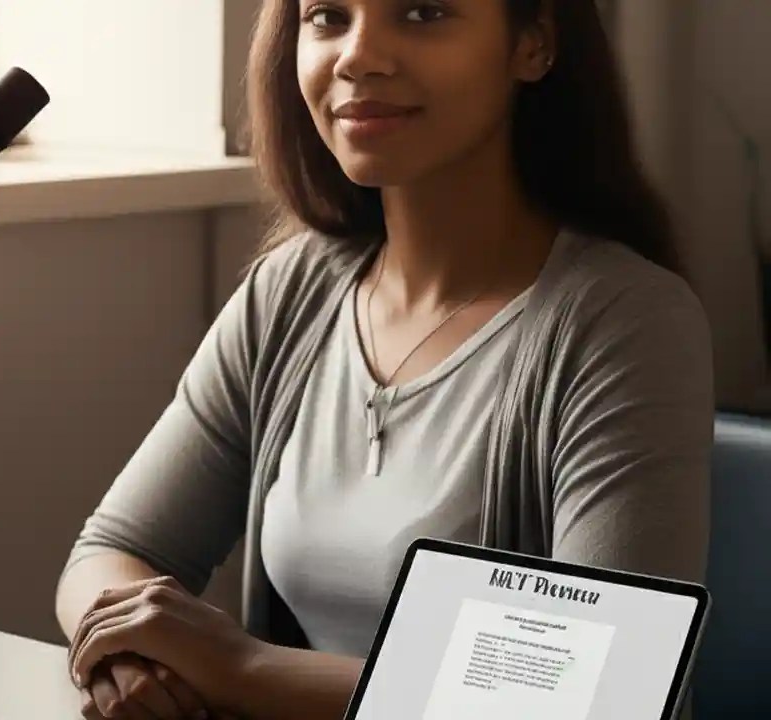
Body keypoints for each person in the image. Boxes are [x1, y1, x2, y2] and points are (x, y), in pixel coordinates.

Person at [55, 0, 715, 718]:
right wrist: (132, 652)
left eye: (422, 12)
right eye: (328, 16)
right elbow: (114, 549)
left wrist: (241, 668)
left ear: (533, 44)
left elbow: (604, 693)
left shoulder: (627, 320)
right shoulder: (291, 291)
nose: (358, 56)